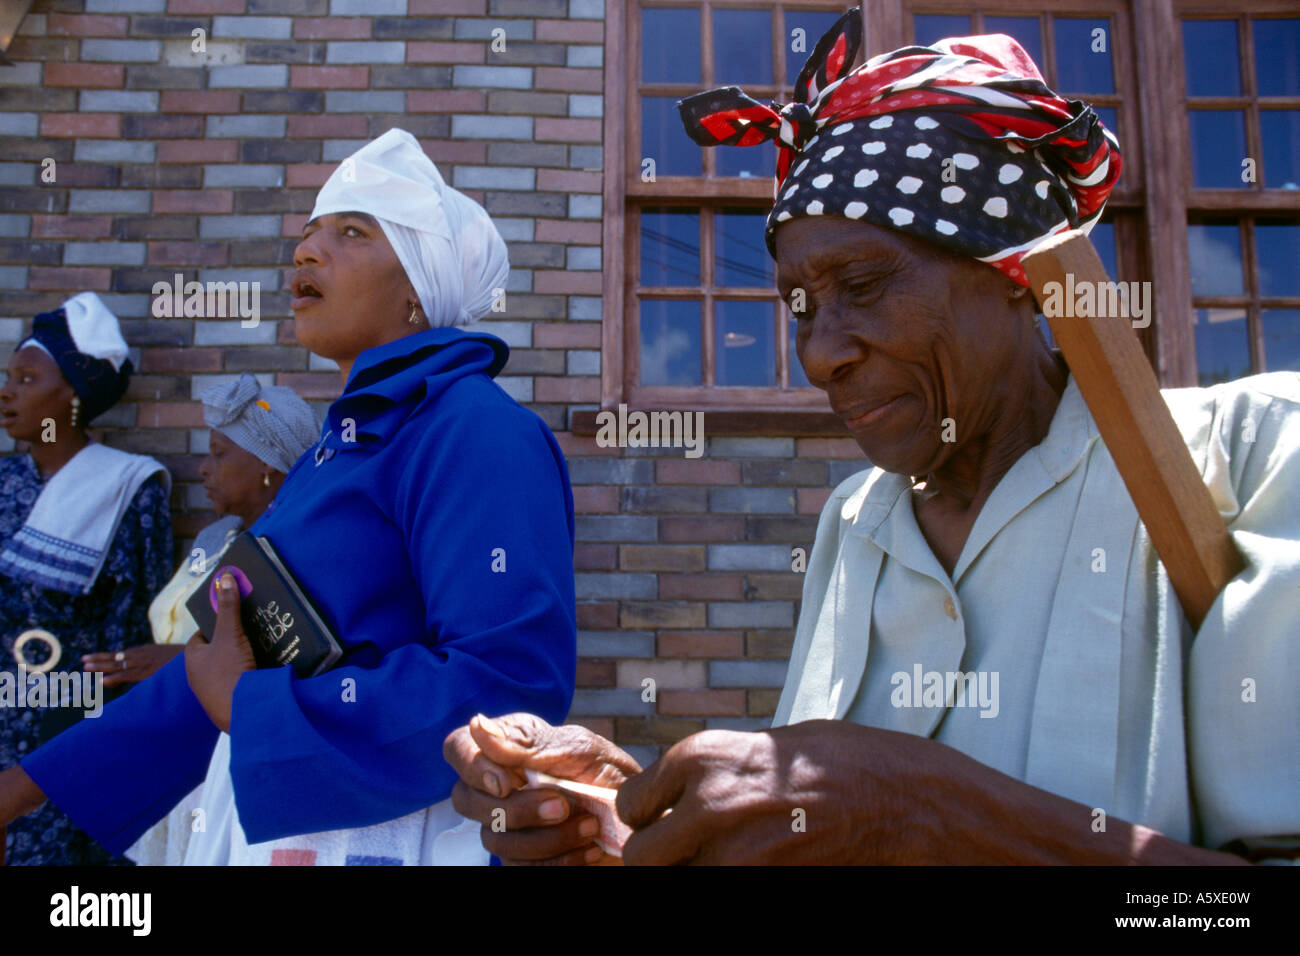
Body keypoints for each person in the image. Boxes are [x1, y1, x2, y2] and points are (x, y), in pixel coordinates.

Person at [443, 12, 1300, 865]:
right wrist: (635, 817)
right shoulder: (857, 524)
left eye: (862, 282)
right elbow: (832, 816)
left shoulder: (1248, 457)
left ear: (1016, 272)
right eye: (799, 305)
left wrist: (926, 812)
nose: (820, 355)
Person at [0, 129, 577, 866]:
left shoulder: (475, 430)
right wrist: (20, 791)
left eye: (351, 232)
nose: (306, 251)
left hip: (400, 841)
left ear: (418, 287)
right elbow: (218, 667)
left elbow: (508, 683)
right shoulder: (331, 456)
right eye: (307, 233)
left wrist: (253, 709)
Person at [94, 374, 318, 865]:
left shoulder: (299, 552)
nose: (202, 469)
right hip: (175, 756)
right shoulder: (214, 539)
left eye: (219, 455)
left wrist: (175, 663)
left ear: (266, 464)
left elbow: (294, 667)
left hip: (236, 762)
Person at [0, 292, 173, 866]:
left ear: (71, 394)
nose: (8, 391)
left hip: (65, 732)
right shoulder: (2, 484)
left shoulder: (127, 487)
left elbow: (133, 643)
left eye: (26, 378)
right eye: (9, 377)